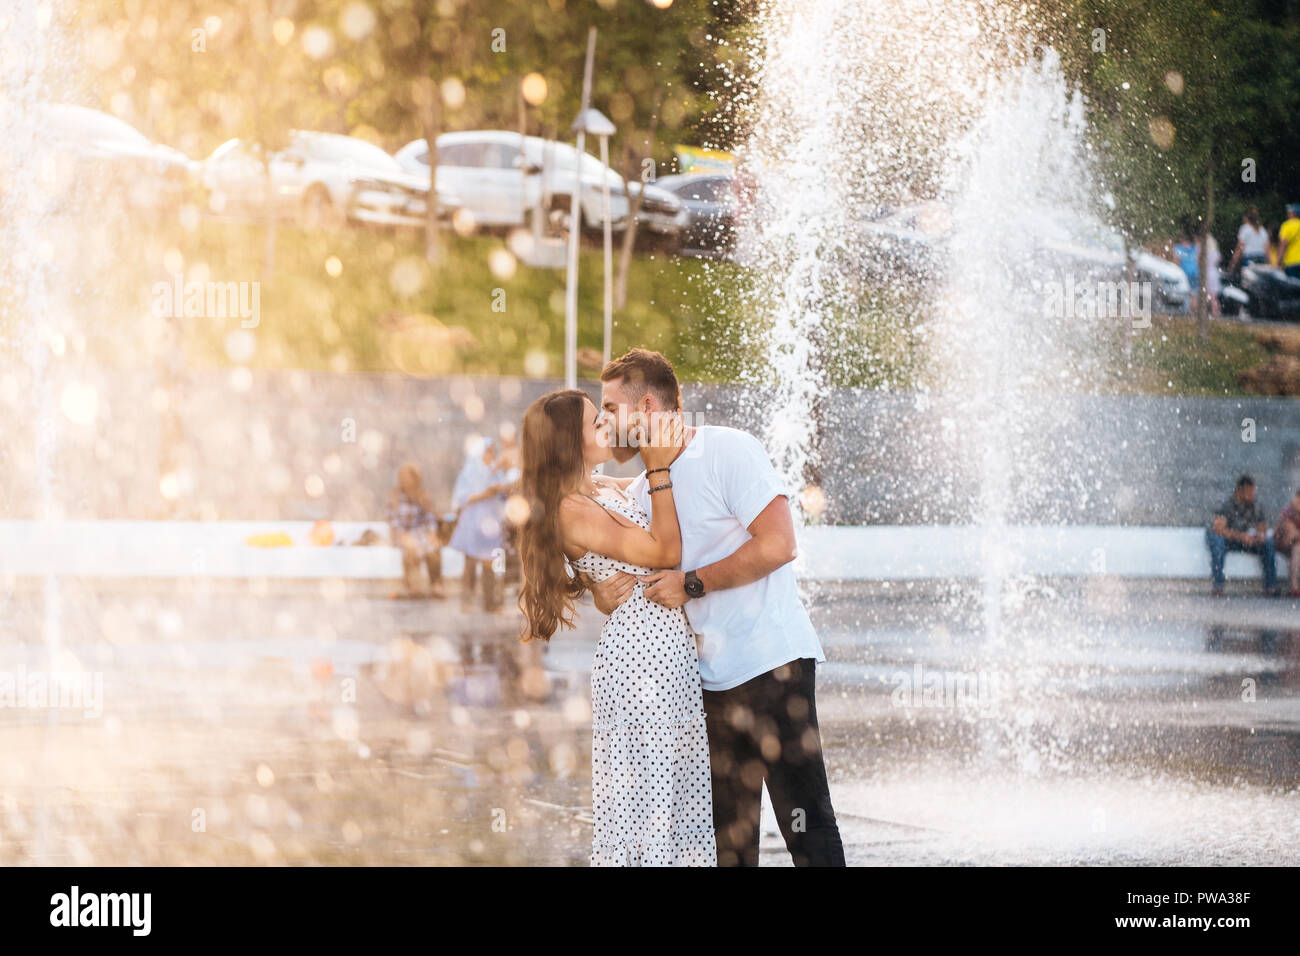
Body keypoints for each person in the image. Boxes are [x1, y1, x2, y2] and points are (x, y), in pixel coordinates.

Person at [588, 348, 845, 867]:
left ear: (649, 408)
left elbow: (778, 545)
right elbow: (618, 559)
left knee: (807, 825)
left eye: (611, 407)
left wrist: (693, 583)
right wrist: (598, 592)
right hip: (708, 684)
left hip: (773, 667)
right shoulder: (645, 489)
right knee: (728, 843)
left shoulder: (727, 449)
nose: (602, 420)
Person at [517, 388, 716, 866]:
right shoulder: (572, 509)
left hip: (662, 648)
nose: (606, 425)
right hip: (640, 658)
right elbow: (666, 552)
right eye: (594, 423)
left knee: (672, 792)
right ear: (569, 444)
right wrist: (658, 466)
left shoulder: (600, 486)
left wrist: (587, 583)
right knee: (648, 801)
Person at [449, 438, 516, 613]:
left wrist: (503, 491)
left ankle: (490, 603)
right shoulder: (469, 471)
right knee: (470, 564)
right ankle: (467, 602)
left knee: (489, 565)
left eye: (493, 451)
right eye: (488, 451)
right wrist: (485, 494)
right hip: (472, 523)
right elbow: (462, 498)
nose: (491, 455)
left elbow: (503, 493)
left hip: (490, 524)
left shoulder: (495, 472)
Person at [1206, 474, 1278, 597]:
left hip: (1242, 538)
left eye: (1253, 492)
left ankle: (1271, 586)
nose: (1253, 495)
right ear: (1240, 491)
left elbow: (1262, 526)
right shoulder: (1226, 504)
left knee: (1268, 543)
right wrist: (1242, 537)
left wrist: (1259, 536)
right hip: (1224, 538)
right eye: (1250, 492)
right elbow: (1219, 529)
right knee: (1217, 543)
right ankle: (1218, 585)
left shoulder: (1256, 505)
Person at [387, 463, 445, 599]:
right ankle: (413, 586)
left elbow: (430, 517)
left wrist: (432, 534)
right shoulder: (395, 496)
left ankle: (436, 585)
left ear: (415, 478)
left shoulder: (422, 496)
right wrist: (403, 535)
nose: (404, 480)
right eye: (402, 477)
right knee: (410, 549)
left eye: (407, 477)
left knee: (433, 548)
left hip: (421, 532)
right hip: (402, 534)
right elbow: (392, 519)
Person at [1274, 489, 1300, 598]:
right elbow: (1290, 536)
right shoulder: (1288, 511)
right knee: (1297, 549)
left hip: (1293, 544)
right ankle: (1294, 587)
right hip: (1283, 544)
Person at [1229, 207, 1269, 276]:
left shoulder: (1245, 229)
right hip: (1261, 258)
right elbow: (1266, 249)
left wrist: (1233, 263)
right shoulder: (1263, 230)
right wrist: (1269, 263)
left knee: (1249, 282)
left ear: (1246, 218)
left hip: (1249, 258)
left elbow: (1240, 248)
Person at [1278, 203, 1300, 279]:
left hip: (1291, 263)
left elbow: (1283, 244)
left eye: (1289, 212)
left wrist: (1279, 261)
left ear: (1292, 214)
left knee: (1292, 288)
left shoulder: (1287, 225)